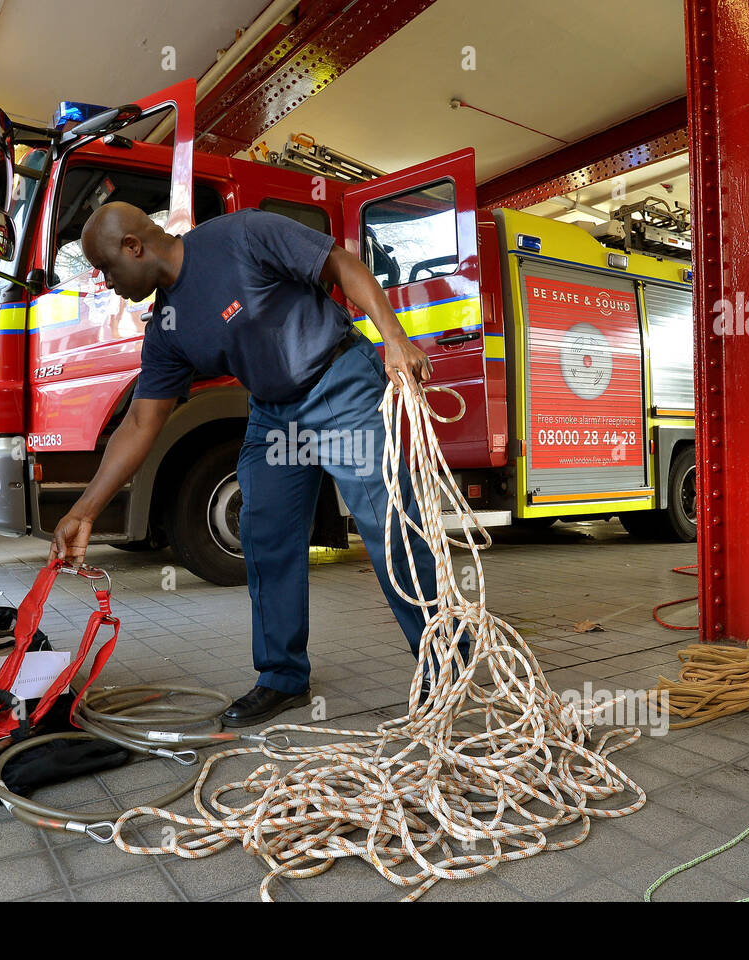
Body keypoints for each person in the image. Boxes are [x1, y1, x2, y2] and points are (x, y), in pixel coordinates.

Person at [49, 201, 454, 727]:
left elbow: (341, 265)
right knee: (264, 530)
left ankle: (448, 664)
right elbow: (140, 424)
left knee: (390, 524)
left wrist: (394, 341)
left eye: (106, 269)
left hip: (339, 383)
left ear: (134, 246)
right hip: (273, 413)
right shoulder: (166, 326)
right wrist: (84, 510)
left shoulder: (240, 236)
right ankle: (282, 678)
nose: (106, 283)